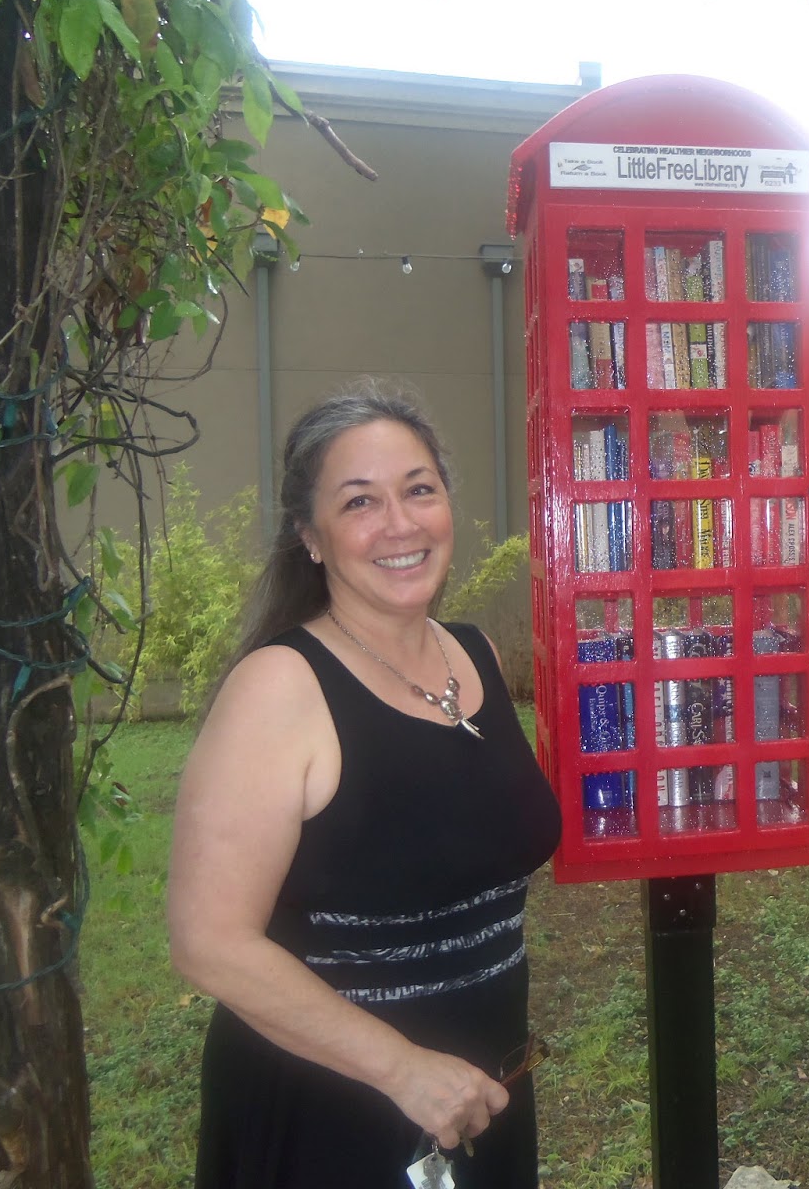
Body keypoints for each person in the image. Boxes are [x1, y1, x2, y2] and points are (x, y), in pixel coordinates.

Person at [168, 388, 561, 1189]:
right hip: (332, 1116)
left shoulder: (476, 657)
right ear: (310, 537)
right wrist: (402, 1068)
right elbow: (207, 939)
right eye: (359, 502)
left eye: (419, 489)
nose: (400, 524)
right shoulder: (281, 687)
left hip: (482, 1099)